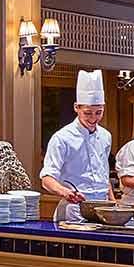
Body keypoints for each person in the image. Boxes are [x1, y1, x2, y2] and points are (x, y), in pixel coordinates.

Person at [39, 70, 113, 205]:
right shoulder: (62, 138)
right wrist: (65, 192)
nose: (93, 118)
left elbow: (103, 174)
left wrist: (113, 203)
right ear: (76, 107)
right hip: (75, 205)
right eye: (87, 113)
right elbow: (46, 179)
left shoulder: (105, 136)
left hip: (103, 205)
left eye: (98, 113)